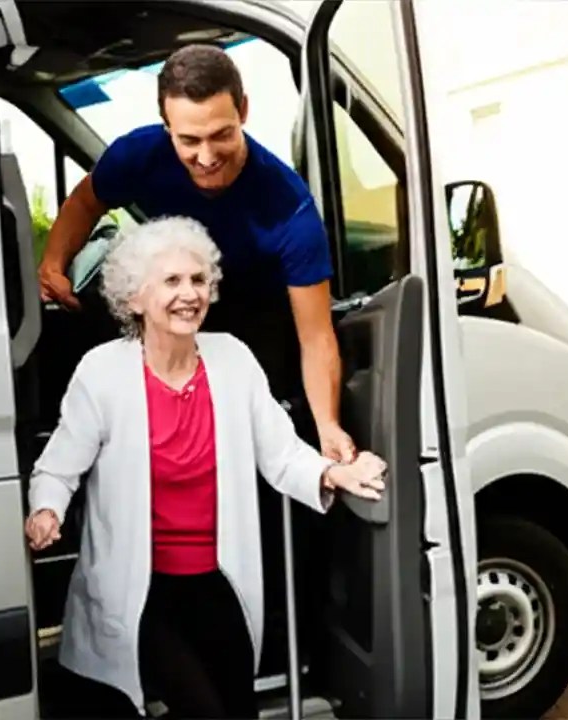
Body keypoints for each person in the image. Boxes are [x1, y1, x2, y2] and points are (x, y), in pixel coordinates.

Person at [24, 217, 388, 719]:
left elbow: (281, 453)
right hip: (142, 589)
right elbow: (59, 468)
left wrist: (332, 473)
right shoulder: (102, 373)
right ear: (134, 298)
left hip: (221, 583)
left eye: (198, 280)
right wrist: (46, 510)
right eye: (171, 281)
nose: (189, 294)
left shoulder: (232, 359)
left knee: (237, 712)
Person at [37, 43, 356, 463]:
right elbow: (85, 201)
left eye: (221, 135)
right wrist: (54, 264)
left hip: (254, 322)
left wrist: (327, 427)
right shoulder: (140, 155)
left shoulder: (289, 208)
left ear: (243, 110)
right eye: (189, 140)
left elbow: (315, 337)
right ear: (166, 125)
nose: (206, 157)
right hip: (171, 316)